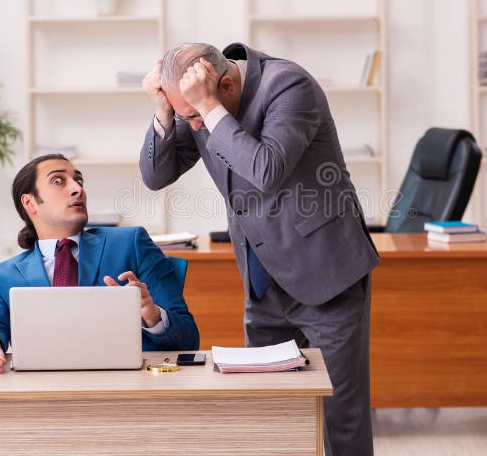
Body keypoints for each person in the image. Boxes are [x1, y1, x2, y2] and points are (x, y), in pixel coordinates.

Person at [139, 43, 379, 455]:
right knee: (272, 415)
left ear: (226, 84)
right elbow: (156, 175)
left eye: (194, 116)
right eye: (186, 118)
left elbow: (266, 169)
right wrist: (165, 113)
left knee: (342, 416)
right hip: (263, 279)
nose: (193, 127)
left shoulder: (289, 86)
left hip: (327, 273)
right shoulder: (194, 108)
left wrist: (208, 108)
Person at [0, 154, 199, 374]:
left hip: (128, 391)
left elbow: (189, 338)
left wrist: (154, 315)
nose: (78, 189)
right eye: (58, 181)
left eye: (79, 180)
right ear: (30, 203)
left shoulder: (131, 243)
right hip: (41, 394)